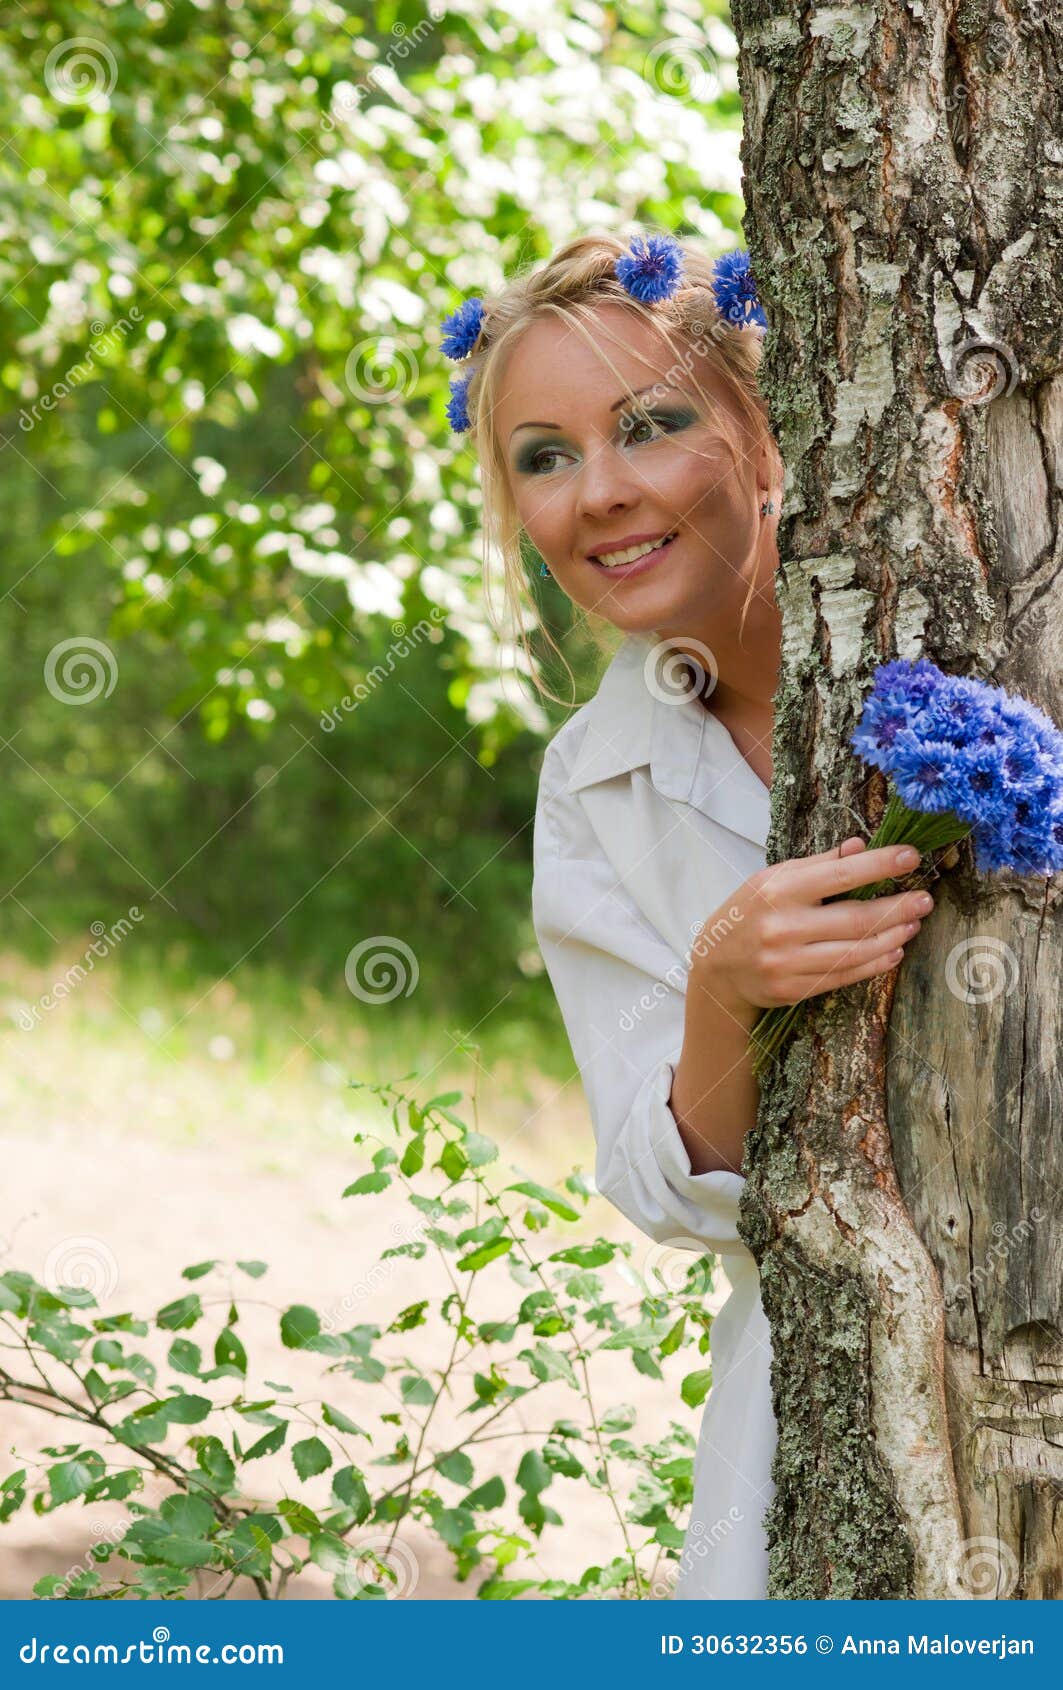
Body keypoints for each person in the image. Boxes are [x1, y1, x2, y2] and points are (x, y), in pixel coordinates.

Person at [438, 230, 935, 1598]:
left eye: (650, 427)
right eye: (543, 456)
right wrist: (722, 986)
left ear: (769, 431)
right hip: (812, 1421)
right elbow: (681, 1196)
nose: (597, 493)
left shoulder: (986, 617)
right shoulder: (596, 786)